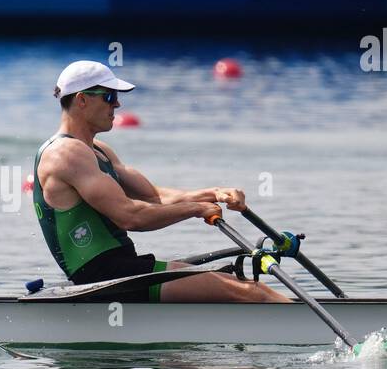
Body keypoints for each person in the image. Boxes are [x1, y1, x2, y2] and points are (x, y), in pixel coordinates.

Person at [33, 61, 289, 303]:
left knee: (244, 286)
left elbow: (155, 196)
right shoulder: (66, 154)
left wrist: (214, 194)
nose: (118, 104)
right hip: (106, 278)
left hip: (124, 269)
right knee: (252, 292)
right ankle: (320, 340)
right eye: (109, 96)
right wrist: (196, 210)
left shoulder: (99, 150)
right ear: (82, 100)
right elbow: (131, 216)